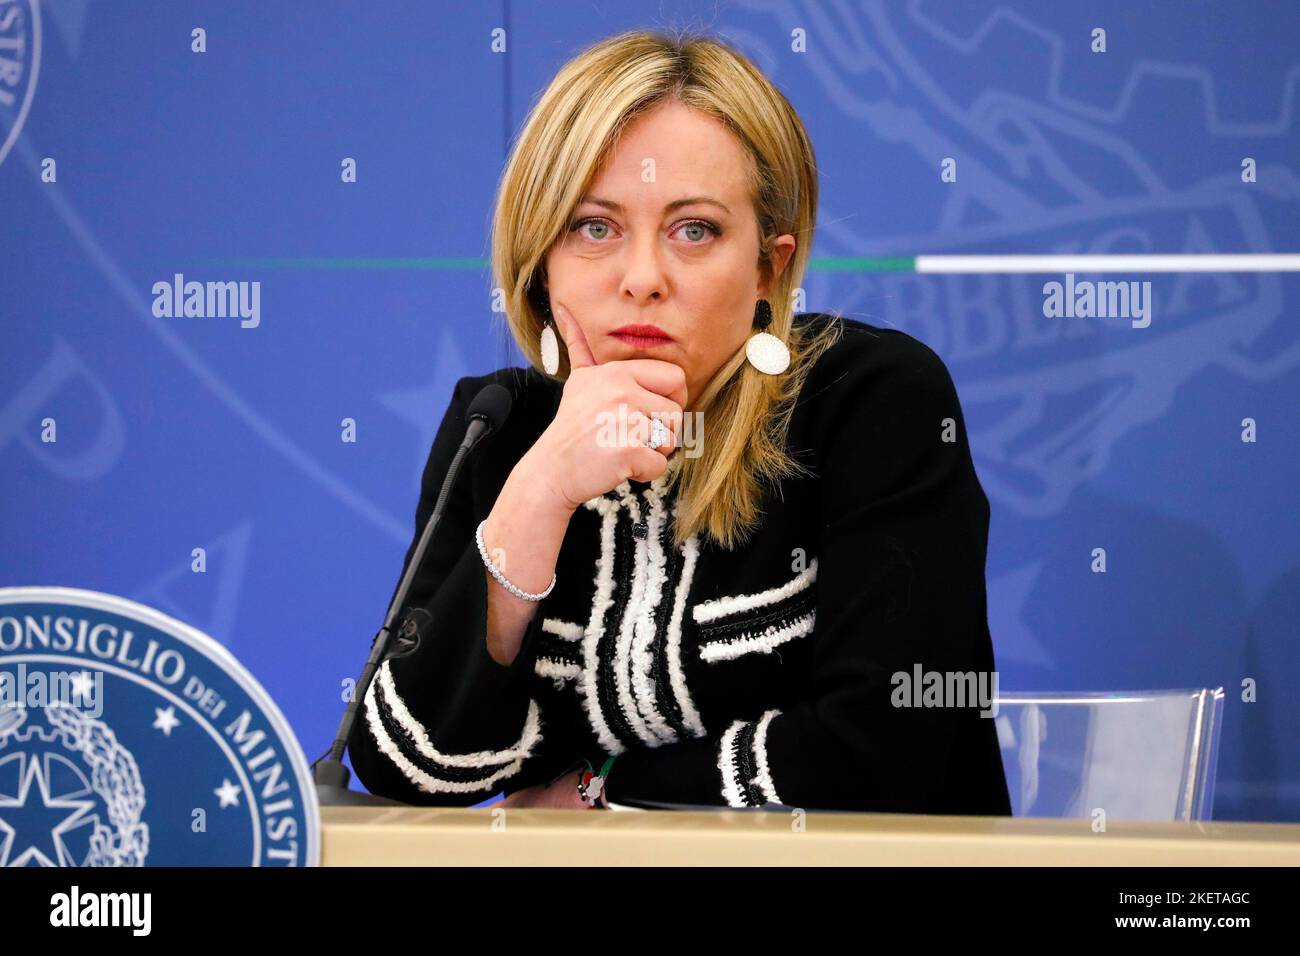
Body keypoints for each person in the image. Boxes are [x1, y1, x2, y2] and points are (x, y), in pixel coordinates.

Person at [346, 29, 1011, 814]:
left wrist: (599, 790)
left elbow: (884, 751)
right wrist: (542, 492)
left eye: (694, 230)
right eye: (595, 227)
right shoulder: (500, 426)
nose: (642, 280)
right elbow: (409, 764)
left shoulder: (871, 399)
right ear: (540, 259)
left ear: (770, 265)